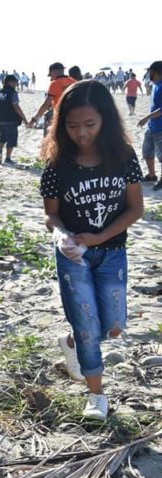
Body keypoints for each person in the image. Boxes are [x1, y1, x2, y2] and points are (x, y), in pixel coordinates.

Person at [39, 80, 143, 420]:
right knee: (87, 324)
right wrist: (64, 236)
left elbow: (135, 209)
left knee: (112, 325)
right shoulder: (57, 165)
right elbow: (51, 215)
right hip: (74, 258)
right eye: (71, 126)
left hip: (112, 252)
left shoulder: (123, 158)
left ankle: (72, 342)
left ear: (105, 121)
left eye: (89, 125)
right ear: (61, 124)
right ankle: (96, 395)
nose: (81, 133)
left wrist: (100, 238)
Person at [29, 62, 77, 135]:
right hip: (75, 117)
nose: (51, 77)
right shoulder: (74, 82)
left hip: (60, 117)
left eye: (50, 75)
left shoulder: (54, 84)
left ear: (53, 72)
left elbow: (46, 104)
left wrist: (35, 119)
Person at [0, 75, 29, 165]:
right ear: (9, 82)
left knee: (1, 137)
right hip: (10, 120)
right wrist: (24, 119)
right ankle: (8, 158)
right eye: (15, 82)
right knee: (11, 139)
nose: (16, 84)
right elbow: (16, 107)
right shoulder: (13, 93)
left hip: (0, 119)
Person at [138, 61, 162, 189]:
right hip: (152, 126)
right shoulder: (155, 85)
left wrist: (147, 117)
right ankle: (152, 175)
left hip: (160, 127)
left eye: (150, 71)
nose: (149, 74)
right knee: (147, 151)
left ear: (157, 72)